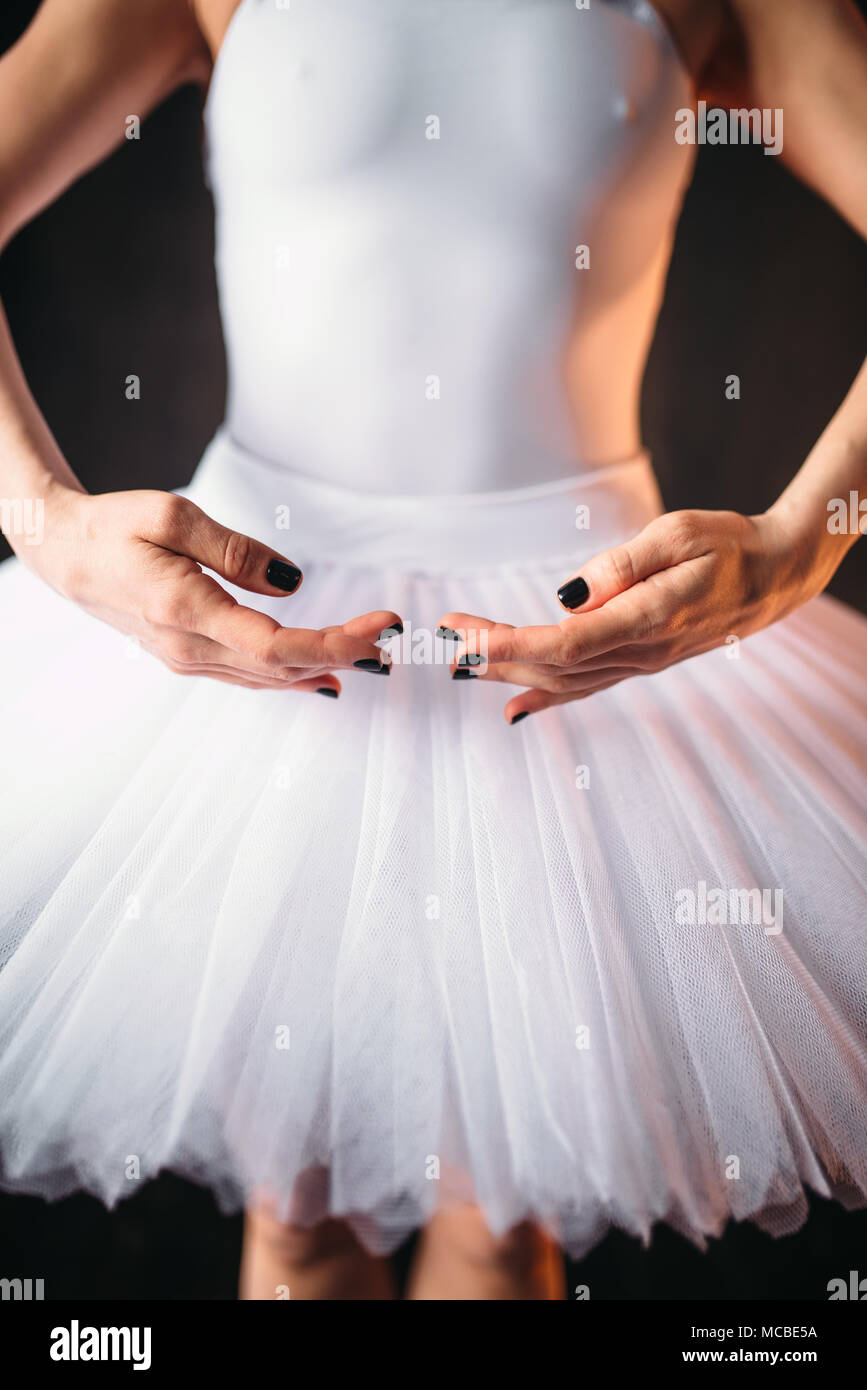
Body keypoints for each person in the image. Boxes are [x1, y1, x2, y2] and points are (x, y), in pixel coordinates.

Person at [0, 0, 865, 1301]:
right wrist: (44, 524)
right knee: (299, 1219)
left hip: (579, 673)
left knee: (501, 1226)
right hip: (261, 664)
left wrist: (807, 539)